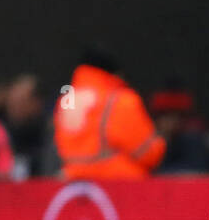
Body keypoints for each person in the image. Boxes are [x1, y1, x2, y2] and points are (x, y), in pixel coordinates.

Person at [54, 47, 166, 181]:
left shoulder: (66, 100)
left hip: (72, 180)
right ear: (115, 74)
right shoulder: (120, 99)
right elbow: (148, 153)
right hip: (116, 183)